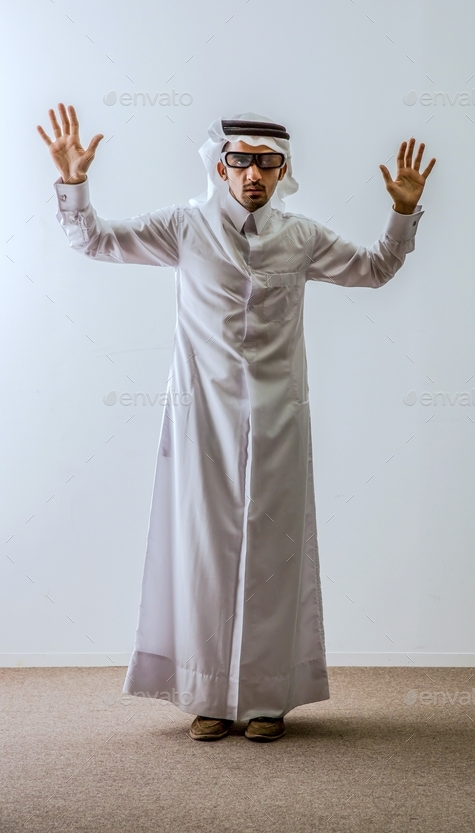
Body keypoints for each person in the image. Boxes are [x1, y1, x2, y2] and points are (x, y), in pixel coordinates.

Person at [37, 104, 436, 742]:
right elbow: (94, 241)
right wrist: (75, 187)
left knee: (273, 555)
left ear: (283, 172)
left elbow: (376, 268)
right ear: (221, 165)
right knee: (203, 551)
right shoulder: (183, 227)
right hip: (202, 419)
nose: (253, 173)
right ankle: (208, 696)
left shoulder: (301, 237)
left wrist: (402, 213)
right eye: (242, 160)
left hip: (280, 420)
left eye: (267, 163)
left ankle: (265, 699)